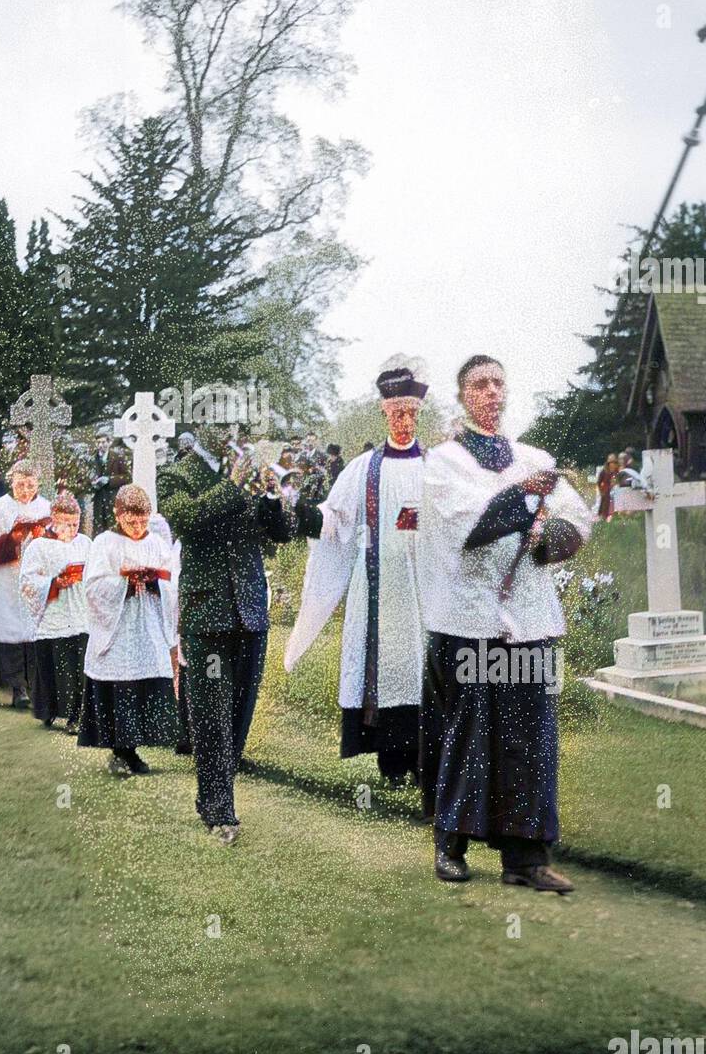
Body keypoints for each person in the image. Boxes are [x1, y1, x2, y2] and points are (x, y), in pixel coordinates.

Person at [417, 354, 593, 893]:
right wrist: (524, 496)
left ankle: (526, 859)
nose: (491, 392)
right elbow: (467, 524)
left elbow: (576, 518)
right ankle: (451, 844)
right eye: (479, 384)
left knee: (531, 739)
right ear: (463, 396)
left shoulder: (533, 457)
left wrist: (544, 536)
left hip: (530, 619)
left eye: (498, 383)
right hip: (469, 618)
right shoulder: (444, 462)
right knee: (469, 735)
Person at [286, 356, 428, 785]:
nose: (403, 420)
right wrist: (305, 516)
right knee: (384, 669)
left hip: (421, 590)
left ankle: (424, 762)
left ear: (418, 414)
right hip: (376, 588)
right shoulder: (363, 468)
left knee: (418, 666)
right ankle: (391, 764)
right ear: (384, 413)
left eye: (410, 413)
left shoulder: (435, 468)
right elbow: (336, 518)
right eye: (396, 412)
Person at [157, 429, 293, 844]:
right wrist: (234, 485)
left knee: (239, 713)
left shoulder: (249, 475)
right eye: (221, 427)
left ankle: (214, 792)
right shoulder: (176, 474)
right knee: (211, 714)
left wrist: (270, 497)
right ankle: (220, 807)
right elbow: (187, 520)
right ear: (202, 435)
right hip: (208, 616)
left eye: (234, 427)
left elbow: (281, 534)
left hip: (251, 610)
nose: (230, 435)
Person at [77, 484, 178, 776]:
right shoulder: (105, 543)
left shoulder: (158, 544)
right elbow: (93, 587)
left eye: (143, 521)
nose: (137, 527)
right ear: (117, 515)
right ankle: (123, 749)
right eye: (130, 521)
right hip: (118, 627)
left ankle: (138, 745)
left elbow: (172, 584)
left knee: (146, 681)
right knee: (122, 684)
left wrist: (155, 583)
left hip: (147, 625)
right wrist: (124, 585)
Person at [0, 460, 53, 707]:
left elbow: (60, 539)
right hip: (6, 576)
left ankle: (35, 684)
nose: (26, 490)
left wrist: (44, 537)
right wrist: (12, 538)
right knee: (10, 627)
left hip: (37, 577)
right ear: (12, 482)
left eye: (31, 484)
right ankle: (17, 686)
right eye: (21, 484)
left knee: (34, 628)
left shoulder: (46, 506)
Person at [19, 489, 91, 732]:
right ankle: (49, 710)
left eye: (75, 524)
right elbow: (27, 582)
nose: (71, 530)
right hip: (53, 615)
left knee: (78, 668)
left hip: (80, 615)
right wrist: (54, 583)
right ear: (53, 521)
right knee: (59, 666)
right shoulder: (38, 547)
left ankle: (76, 716)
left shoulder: (86, 544)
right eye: (65, 524)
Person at [91, 429, 130, 532]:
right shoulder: (91, 458)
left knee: (113, 527)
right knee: (98, 528)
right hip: (98, 499)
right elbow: (86, 476)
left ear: (109, 443)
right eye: (98, 442)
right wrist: (92, 483)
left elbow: (127, 477)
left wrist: (109, 480)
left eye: (103, 442)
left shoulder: (117, 457)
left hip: (113, 499)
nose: (101, 445)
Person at [595, 453, 620, 520]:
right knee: (605, 507)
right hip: (606, 492)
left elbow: (620, 479)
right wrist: (601, 491)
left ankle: (615, 518)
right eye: (611, 462)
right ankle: (603, 519)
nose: (613, 464)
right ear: (608, 463)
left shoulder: (618, 470)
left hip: (616, 491)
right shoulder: (604, 471)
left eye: (614, 462)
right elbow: (599, 482)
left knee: (616, 506)